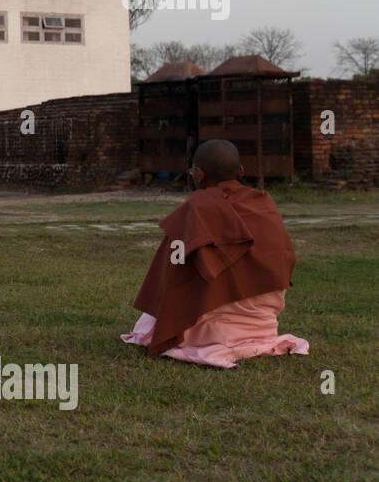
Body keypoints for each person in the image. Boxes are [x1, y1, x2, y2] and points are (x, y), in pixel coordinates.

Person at [123, 138, 305, 368]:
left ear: (198, 174)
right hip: (263, 320)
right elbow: (283, 259)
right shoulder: (264, 203)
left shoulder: (196, 208)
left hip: (212, 326)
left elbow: (175, 274)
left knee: (148, 323)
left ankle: (210, 334)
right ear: (241, 171)